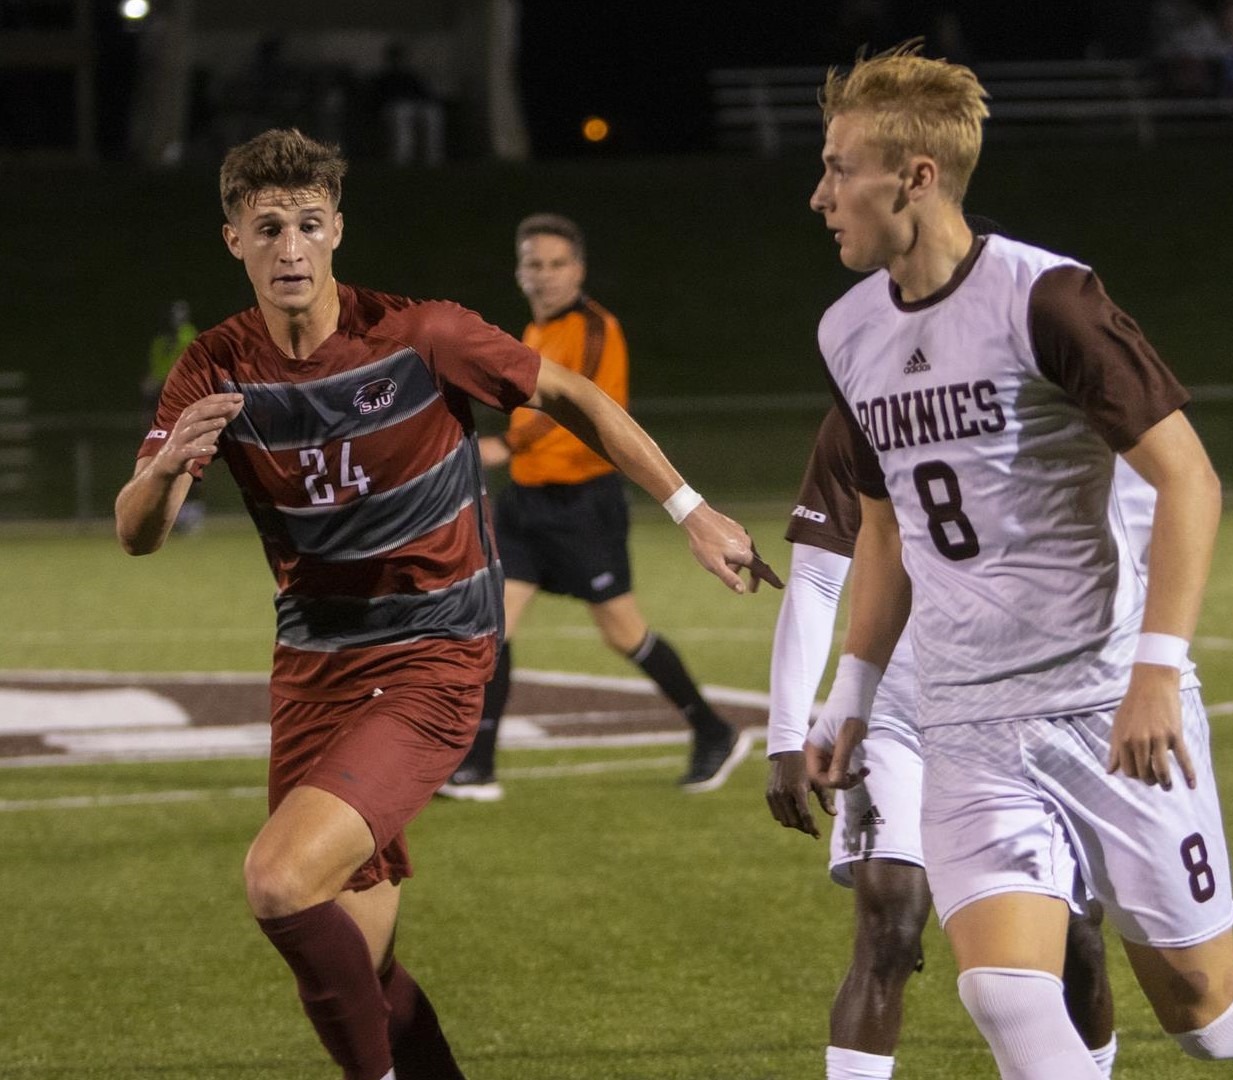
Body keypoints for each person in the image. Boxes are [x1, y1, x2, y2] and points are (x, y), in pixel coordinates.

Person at [800, 46, 1233, 1080]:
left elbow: (1191, 480)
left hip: (1104, 704)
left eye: (839, 167)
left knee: (1208, 1014)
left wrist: (1154, 675)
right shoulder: (847, 332)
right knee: (1004, 995)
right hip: (968, 717)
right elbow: (884, 529)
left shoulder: (1046, 300)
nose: (819, 193)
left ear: (915, 176)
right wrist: (853, 693)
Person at [114, 128, 775, 1080]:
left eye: (308, 223)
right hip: (312, 668)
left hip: (432, 654)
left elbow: (575, 397)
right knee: (361, 961)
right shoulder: (214, 367)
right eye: (268, 228)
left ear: (338, 228)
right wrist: (171, 465)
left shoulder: (421, 335)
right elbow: (138, 532)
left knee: (278, 880)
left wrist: (692, 508)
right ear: (233, 241)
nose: (290, 248)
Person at [765, 405, 1118, 1080]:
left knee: (1077, 940)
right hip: (889, 714)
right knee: (890, 929)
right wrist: (786, 735)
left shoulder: (1019, 390)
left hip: (1016, 712)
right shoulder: (861, 408)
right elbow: (814, 574)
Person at [440, 213, 750, 800]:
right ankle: (477, 767)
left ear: (578, 270)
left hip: (582, 505)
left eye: (558, 264)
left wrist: (505, 444)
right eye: (535, 264)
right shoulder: (536, 331)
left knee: (622, 631)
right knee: (491, 624)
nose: (546, 276)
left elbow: (565, 401)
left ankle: (715, 731)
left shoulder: (592, 328)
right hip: (527, 503)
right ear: (519, 272)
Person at [142, 299, 204, 533]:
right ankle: (165, 514)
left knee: (189, 458)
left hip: (185, 404)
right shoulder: (160, 342)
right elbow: (155, 372)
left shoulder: (189, 336)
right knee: (159, 459)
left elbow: (189, 370)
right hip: (161, 406)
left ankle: (192, 513)